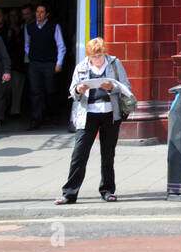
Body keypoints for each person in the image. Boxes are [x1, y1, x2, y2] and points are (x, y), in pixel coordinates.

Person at [55, 37, 132, 204]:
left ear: (104, 53)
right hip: (87, 115)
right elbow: (73, 91)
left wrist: (112, 87)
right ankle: (69, 193)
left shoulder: (114, 64)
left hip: (110, 114)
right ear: (89, 56)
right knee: (79, 154)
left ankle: (107, 190)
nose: (97, 60)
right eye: (94, 57)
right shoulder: (82, 67)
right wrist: (78, 89)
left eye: (100, 56)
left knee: (108, 154)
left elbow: (126, 86)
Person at [25, 1, 66, 129]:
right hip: (34, 64)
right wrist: (32, 55)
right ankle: (36, 119)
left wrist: (59, 63)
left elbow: (61, 46)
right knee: (35, 92)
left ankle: (53, 115)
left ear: (47, 14)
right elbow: (27, 45)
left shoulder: (54, 26)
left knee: (51, 90)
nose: (39, 14)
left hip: (49, 63)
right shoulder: (29, 27)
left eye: (42, 12)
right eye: (37, 12)